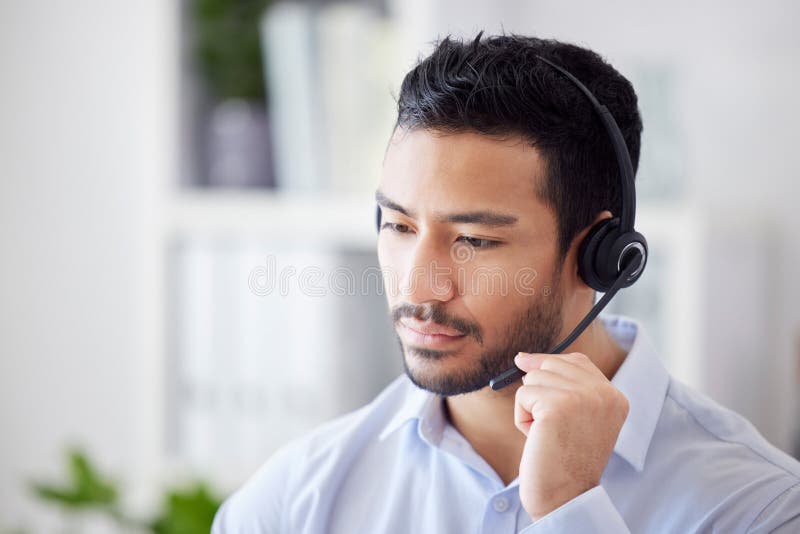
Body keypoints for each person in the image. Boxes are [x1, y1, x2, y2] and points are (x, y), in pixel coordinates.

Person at [212, 33, 800, 533]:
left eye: (473, 240)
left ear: (601, 255)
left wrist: (571, 511)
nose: (420, 285)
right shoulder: (293, 502)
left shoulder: (758, 508)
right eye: (398, 225)